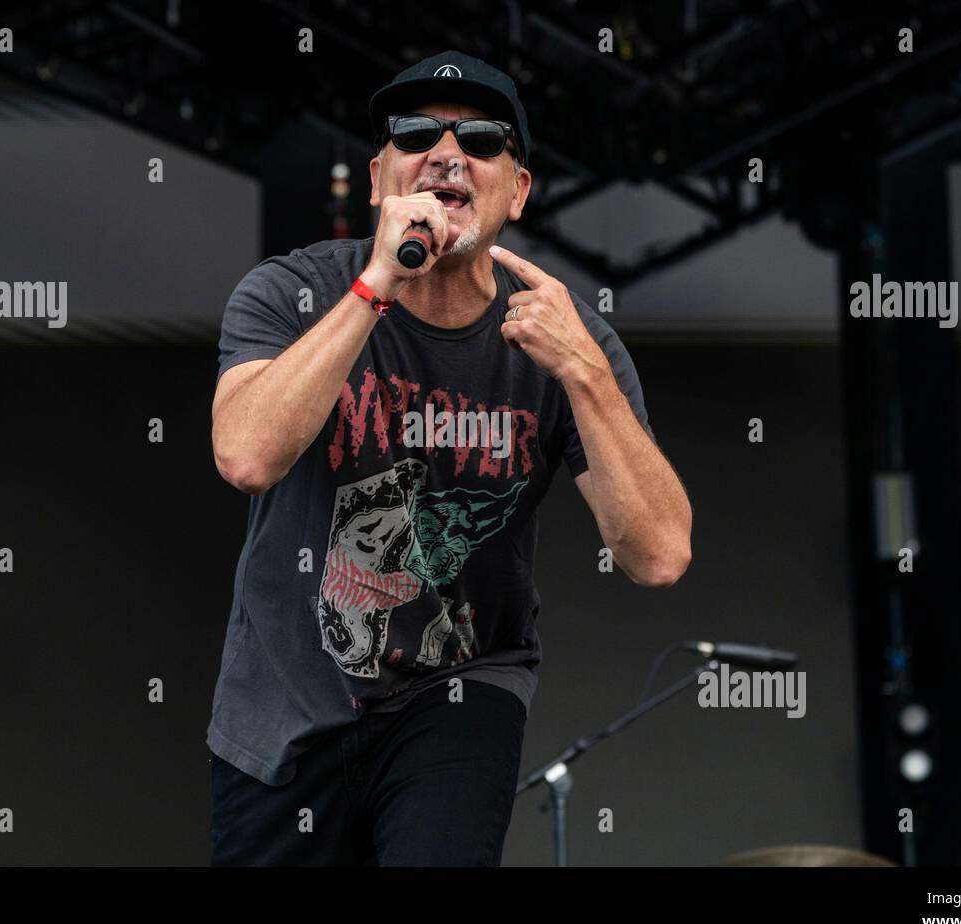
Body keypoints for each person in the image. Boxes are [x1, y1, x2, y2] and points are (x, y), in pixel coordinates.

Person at [207, 49, 693, 866]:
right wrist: (374, 288)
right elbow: (246, 456)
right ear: (376, 180)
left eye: (480, 137)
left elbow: (659, 554)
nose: (446, 152)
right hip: (283, 708)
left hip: (458, 684)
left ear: (518, 189)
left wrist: (583, 374)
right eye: (414, 134)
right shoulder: (290, 293)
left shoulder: (564, 333)